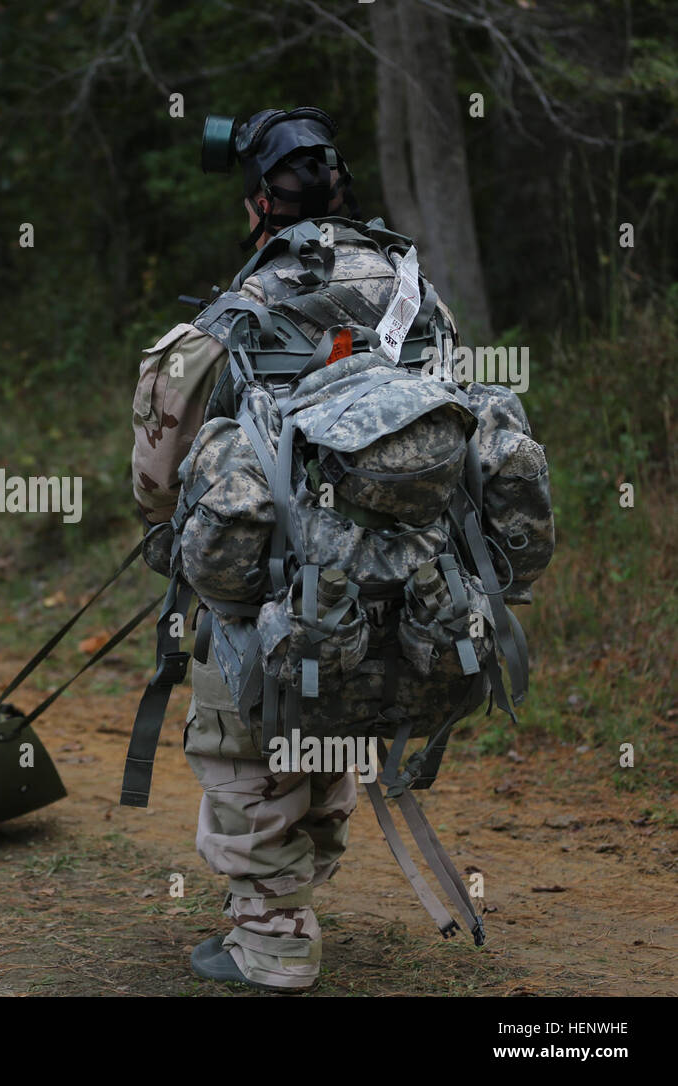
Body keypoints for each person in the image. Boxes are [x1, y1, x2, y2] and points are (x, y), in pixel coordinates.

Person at [130, 107, 461, 992]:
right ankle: (299, 888)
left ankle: (273, 938)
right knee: (329, 707)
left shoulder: (236, 315)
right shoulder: (414, 292)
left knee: (245, 731)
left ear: (255, 208)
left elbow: (157, 478)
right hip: (405, 582)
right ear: (343, 191)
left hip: (273, 584)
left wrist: (180, 528)